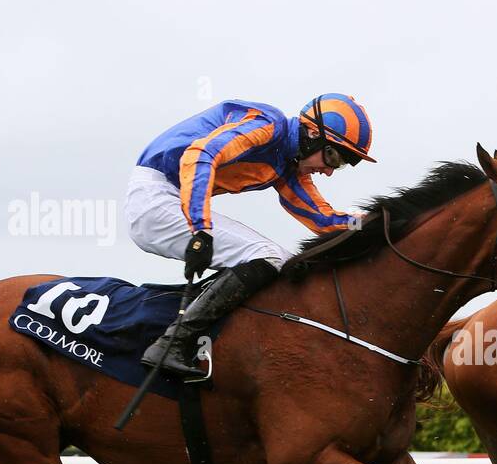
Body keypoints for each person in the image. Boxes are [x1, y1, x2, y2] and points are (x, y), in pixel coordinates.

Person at [127, 94, 375, 378]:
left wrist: (381, 222)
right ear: (312, 133)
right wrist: (200, 228)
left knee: (281, 259)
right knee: (268, 255)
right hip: (155, 196)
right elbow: (200, 155)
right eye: (333, 156)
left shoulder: (288, 165)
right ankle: (174, 343)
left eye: (341, 165)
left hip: (168, 199)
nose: (329, 171)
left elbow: (324, 220)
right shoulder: (269, 125)